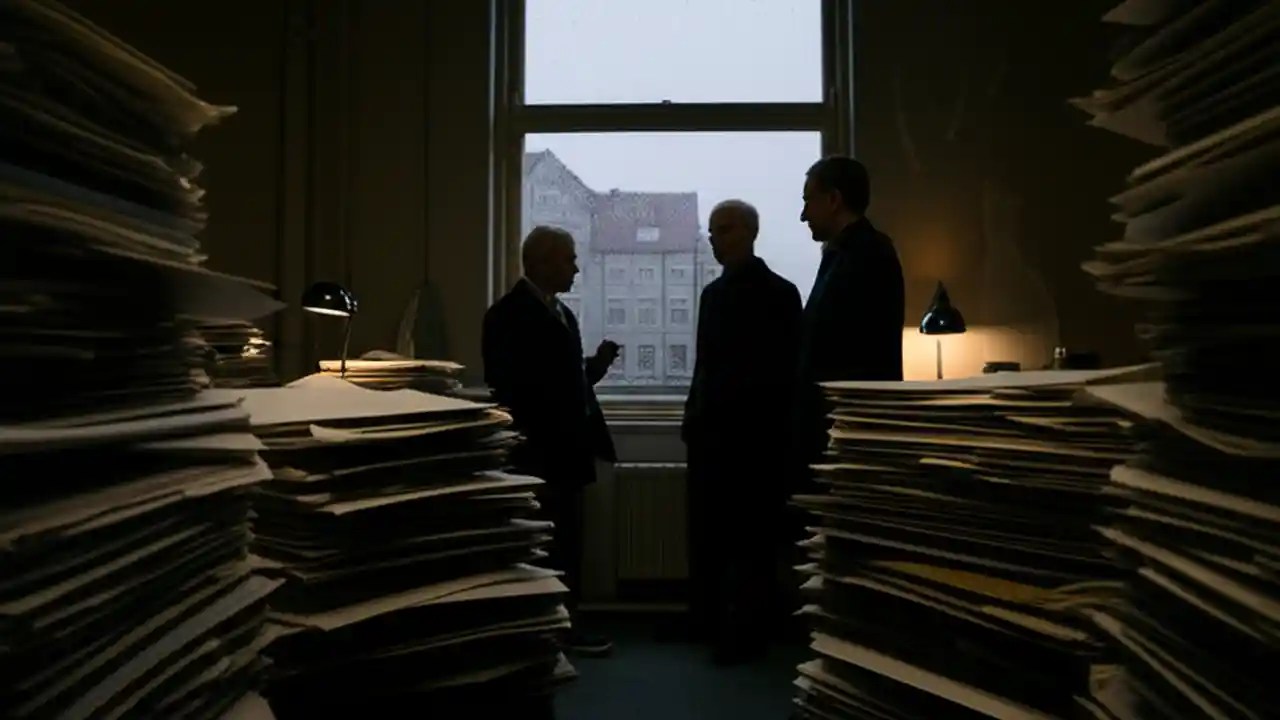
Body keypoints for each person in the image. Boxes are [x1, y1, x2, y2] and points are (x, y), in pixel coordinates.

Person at [481, 225, 619, 657]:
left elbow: (565, 382)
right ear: (540, 262)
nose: (576, 268)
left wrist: (594, 368)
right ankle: (545, 630)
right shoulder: (507, 316)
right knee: (543, 547)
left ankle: (561, 625)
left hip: (565, 453)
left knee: (566, 544)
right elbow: (511, 388)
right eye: (569, 259)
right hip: (537, 455)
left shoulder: (561, 314)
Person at [681, 199, 802, 663]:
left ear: (751, 232)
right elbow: (704, 365)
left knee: (749, 537)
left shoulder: (780, 295)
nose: (716, 238)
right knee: (711, 533)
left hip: (755, 436)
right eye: (713, 231)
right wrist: (693, 416)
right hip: (714, 432)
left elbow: (785, 370)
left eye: (725, 229)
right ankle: (711, 621)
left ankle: (746, 631)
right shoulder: (714, 294)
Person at [794, 155, 905, 471]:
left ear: (833, 199)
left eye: (808, 200)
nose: (803, 215)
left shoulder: (864, 256)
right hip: (845, 425)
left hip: (849, 431)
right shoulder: (851, 253)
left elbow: (839, 350)